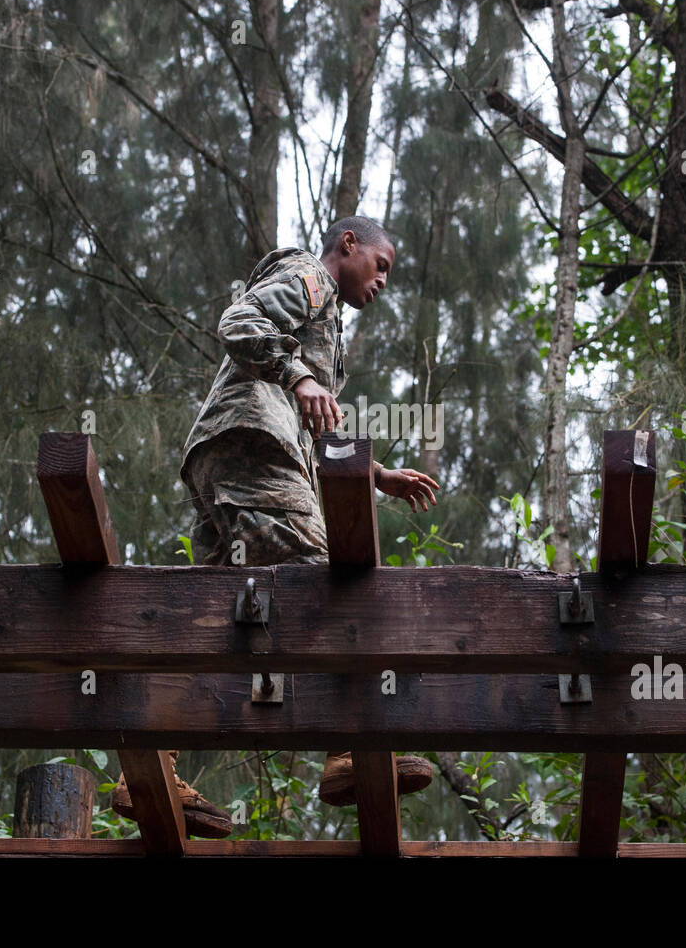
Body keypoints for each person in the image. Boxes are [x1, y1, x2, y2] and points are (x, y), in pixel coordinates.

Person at [112, 217, 441, 830]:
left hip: (234, 455)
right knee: (327, 580)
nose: (384, 281)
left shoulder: (326, 325)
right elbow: (239, 322)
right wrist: (301, 375)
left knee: (218, 615)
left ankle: (152, 766)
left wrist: (376, 475)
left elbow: (311, 420)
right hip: (251, 446)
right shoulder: (311, 275)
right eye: (381, 264)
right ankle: (345, 747)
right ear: (349, 245)